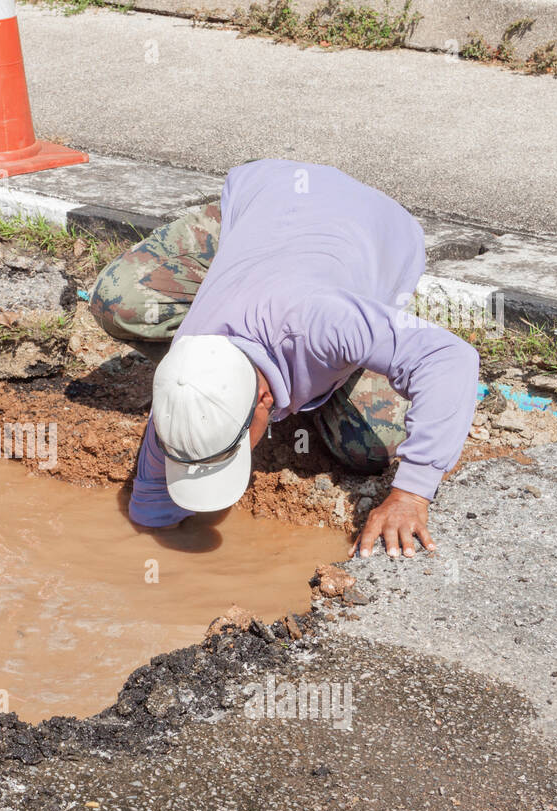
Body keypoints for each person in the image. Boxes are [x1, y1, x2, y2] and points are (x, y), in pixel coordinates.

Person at [89, 159, 479, 559]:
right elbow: (151, 497)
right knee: (125, 301)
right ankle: (311, 381)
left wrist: (412, 493)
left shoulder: (323, 322)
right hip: (275, 228)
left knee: (370, 448)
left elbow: (449, 359)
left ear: (264, 400)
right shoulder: (187, 372)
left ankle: (360, 347)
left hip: (366, 226)